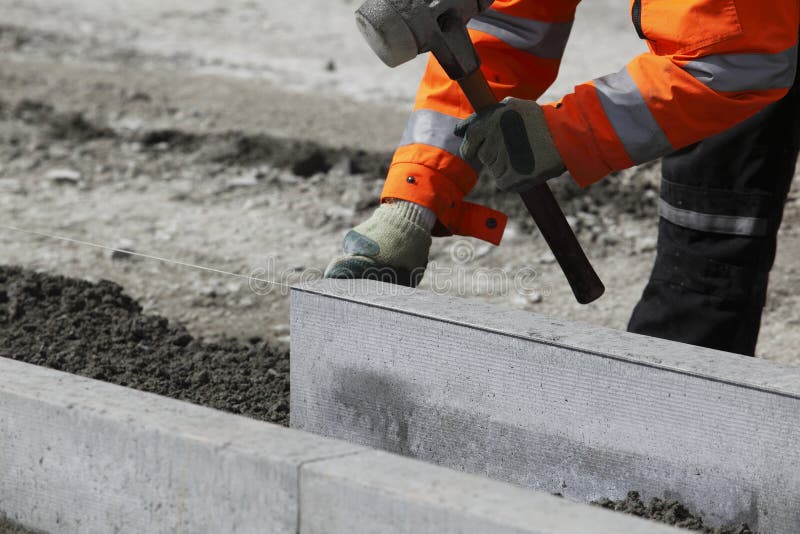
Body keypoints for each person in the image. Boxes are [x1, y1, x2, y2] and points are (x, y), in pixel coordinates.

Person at [325, 0, 799, 356]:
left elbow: (736, 61)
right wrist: (415, 200)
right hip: (744, 35)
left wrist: (563, 134)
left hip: (748, 34)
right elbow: (512, 25)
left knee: (713, 223)